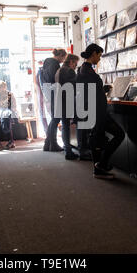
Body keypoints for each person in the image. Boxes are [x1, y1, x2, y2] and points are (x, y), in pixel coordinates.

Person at [76, 44, 125, 179]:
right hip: (98, 112)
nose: (100, 58)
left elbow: (90, 91)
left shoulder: (83, 70)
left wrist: (103, 90)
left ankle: (100, 166)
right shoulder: (87, 72)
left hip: (95, 111)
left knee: (98, 138)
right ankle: (100, 165)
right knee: (118, 135)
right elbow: (90, 93)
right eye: (99, 55)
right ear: (93, 54)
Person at [53, 54, 80, 160]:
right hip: (67, 101)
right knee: (67, 126)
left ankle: (67, 149)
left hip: (59, 101)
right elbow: (75, 86)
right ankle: (69, 151)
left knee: (65, 126)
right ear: (72, 62)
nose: (75, 66)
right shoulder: (69, 71)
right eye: (76, 64)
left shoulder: (59, 70)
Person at [41, 48, 68, 151]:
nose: (63, 61)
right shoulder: (54, 64)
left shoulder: (47, 63)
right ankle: (53, 144)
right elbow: (56, 80)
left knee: (54, 118)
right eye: (63, 58)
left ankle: (48, 144)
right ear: (60, 55)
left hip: (49, 93)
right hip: (55, 93)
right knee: (55, 119)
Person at [0, 80, 19, 150]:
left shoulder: (10, 94)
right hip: (0, 113)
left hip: (9, 112)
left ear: (3, 88)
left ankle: (11, 141)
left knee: (5, 117)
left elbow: (14, 107)